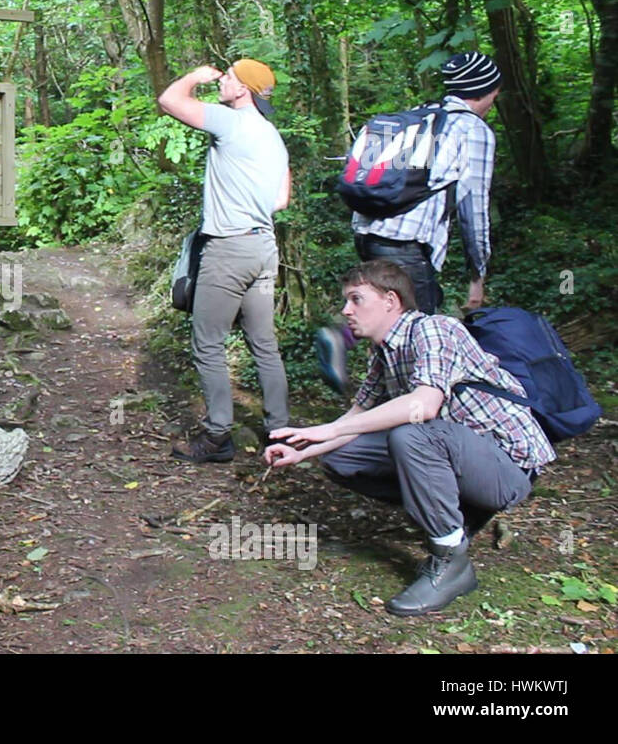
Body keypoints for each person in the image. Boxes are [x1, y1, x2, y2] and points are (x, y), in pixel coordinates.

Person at [264, 260, 554, 616]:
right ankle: (453, 519)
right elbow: (356, 416)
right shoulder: (385, 353)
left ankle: (451, 562)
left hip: (507, 470)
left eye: (356, 299)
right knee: (344, 457)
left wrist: (330, 430)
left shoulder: (434, 330)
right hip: (460, 453)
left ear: (390, 300)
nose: (345, 310)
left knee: (411, 436)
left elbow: (424, 405)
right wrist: (302, 450)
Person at [316, 52, 502, 394]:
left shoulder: (423, 118)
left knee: (393, 329)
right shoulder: (472, 130)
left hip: (368, 233)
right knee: (419, 343)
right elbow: (474, 208)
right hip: (406, 247)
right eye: (495, 91)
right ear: (485, 91)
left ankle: (347, 348)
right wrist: (478, 275)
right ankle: (409, 429)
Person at [157, 59, 292, 462]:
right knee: (264, 344)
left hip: (228, 250)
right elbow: (280, 200)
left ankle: (217, 437)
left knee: (208, 344)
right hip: (263, 248)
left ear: (243, 90)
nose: (223, 80)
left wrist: (195, 78)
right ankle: (280, 431)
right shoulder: (273, 137)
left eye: (229, 77)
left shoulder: (231, 122)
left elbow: (168, 100)